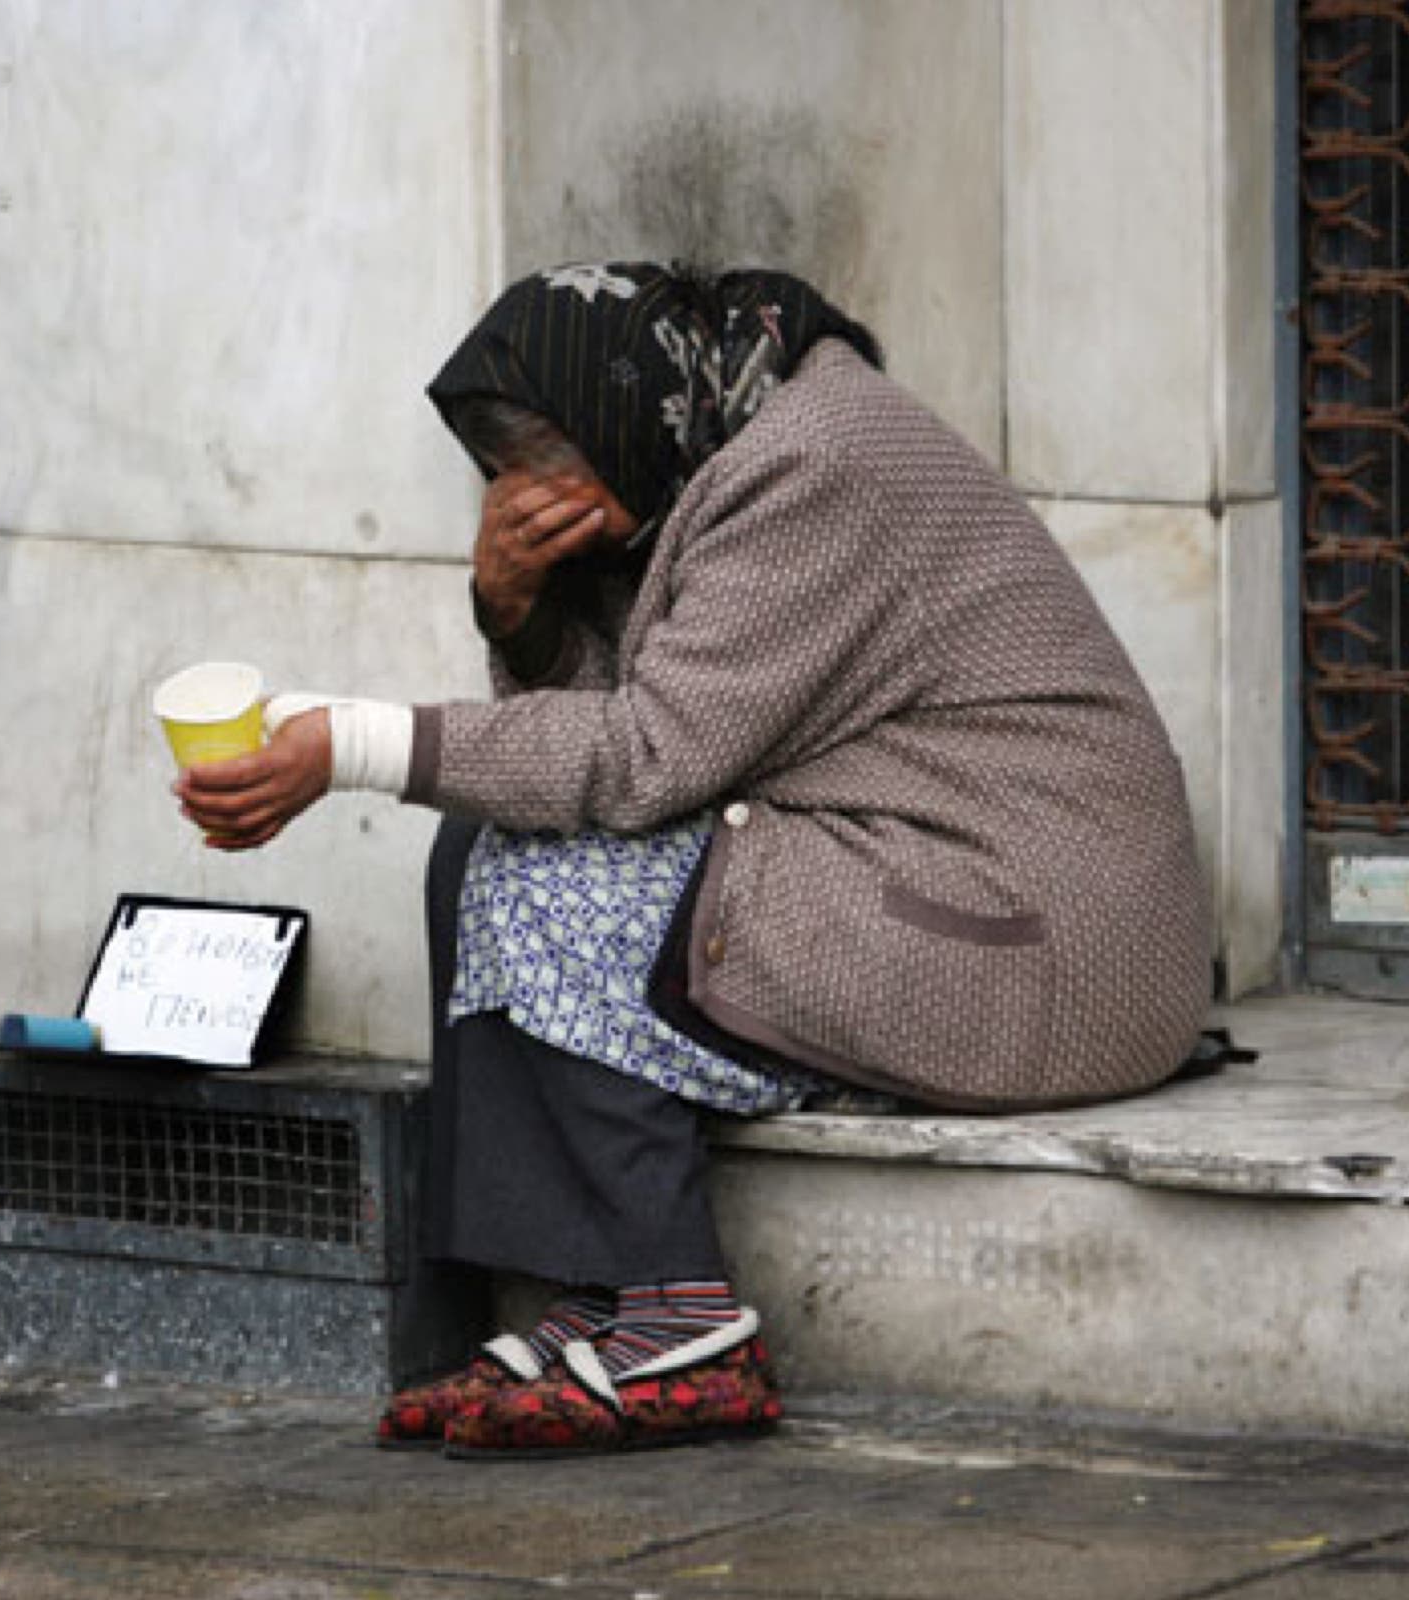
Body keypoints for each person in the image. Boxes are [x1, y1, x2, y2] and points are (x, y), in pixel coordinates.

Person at [176, 262, 1211, 1458]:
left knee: (548, 877)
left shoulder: (811, 463)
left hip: (1044, 936)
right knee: (478, 842)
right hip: (914, 871)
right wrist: (517, 608)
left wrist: (350, 744)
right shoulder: (711, 438)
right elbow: (621, 736)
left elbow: (646, 757)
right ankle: (594, 1296)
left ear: (625, 403)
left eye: (542, 455)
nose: (525, 492)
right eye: (498, 465)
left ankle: (684, 1318)